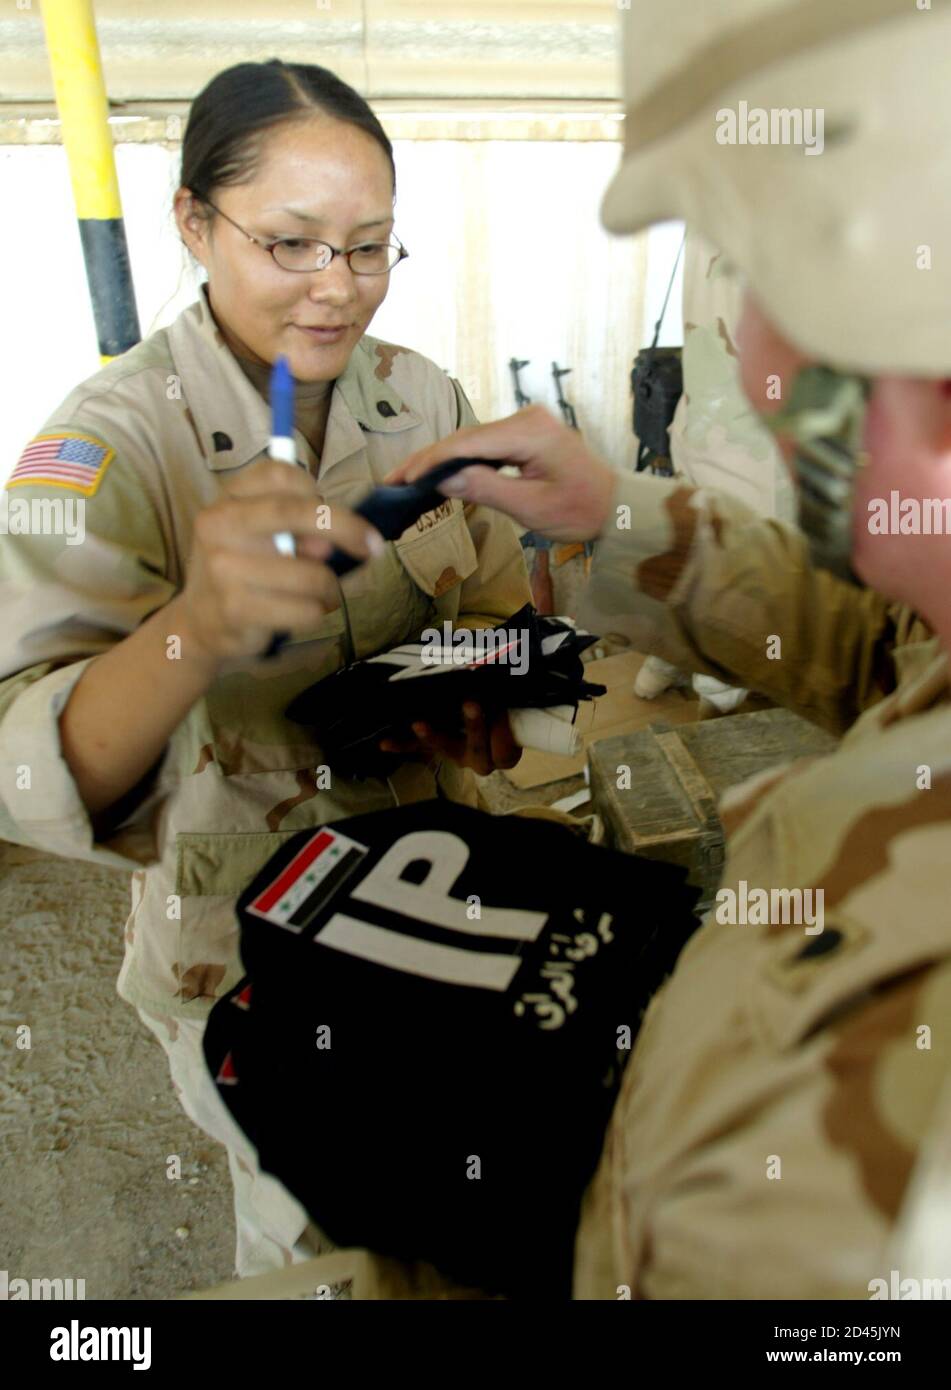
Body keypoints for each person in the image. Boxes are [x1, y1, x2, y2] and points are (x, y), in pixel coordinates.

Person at [384, 0, 951, 1297]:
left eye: (743, 276)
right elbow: (891, 651)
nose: (740, 350)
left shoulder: (872, 1004)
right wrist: (609, 518)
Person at [0, 59, 530, 1278]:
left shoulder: (419, 395)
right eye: (291, 244)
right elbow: (26, 762)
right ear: (194, 221)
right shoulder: (105, 447)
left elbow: (481, 590)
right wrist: (195, 619)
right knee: (323, 1255)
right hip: (243, 943)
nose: (336, 290)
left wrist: (477, 696)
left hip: (434, 889)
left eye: (371, 248)